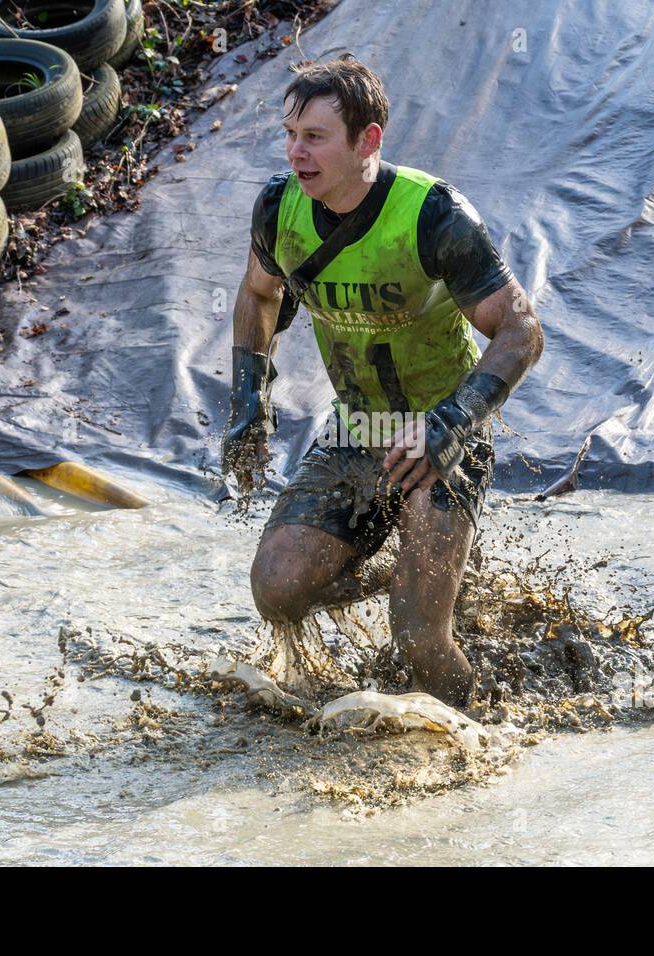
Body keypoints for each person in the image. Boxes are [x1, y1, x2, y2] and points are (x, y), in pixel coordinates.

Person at [223, 54, 543, 707]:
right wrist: (248, 401)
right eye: (289, 134)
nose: (295, 153)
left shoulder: (433, 216)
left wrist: (451, 426)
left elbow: (522, 331)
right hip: (357, 431)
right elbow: (258, 295)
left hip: (442, 437)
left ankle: (485, 732)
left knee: (418, 638)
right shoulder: (278, 209)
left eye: (314, 138)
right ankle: (417, 571)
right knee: (277, 589)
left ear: (368, 141)